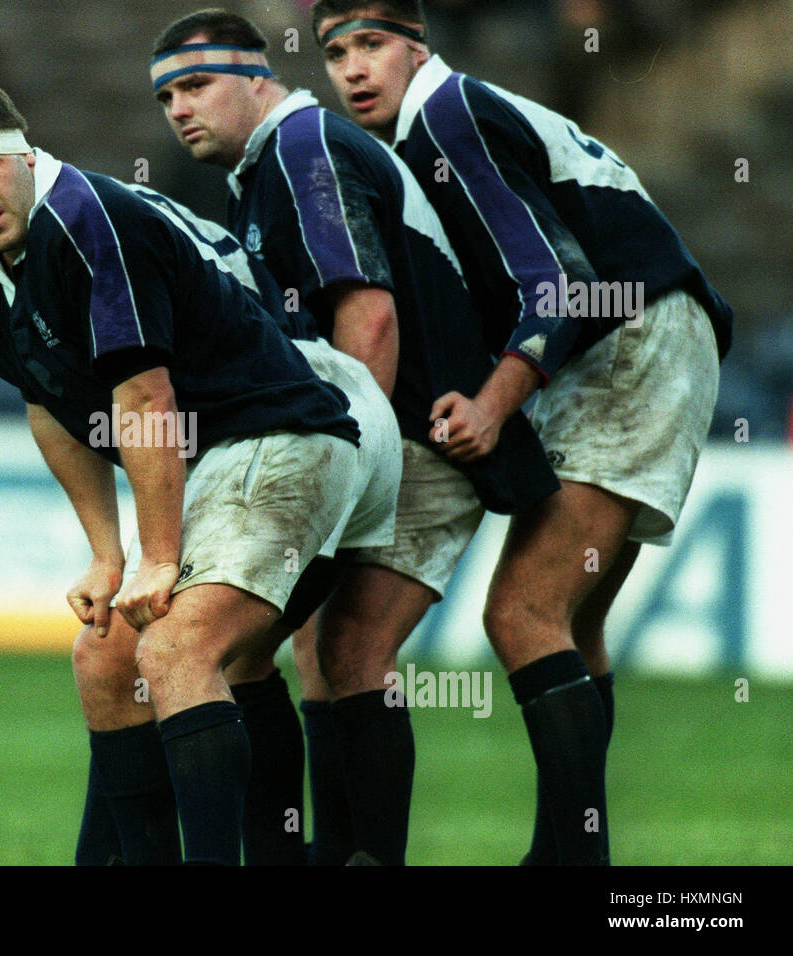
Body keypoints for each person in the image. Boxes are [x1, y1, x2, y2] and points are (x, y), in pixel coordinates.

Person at [0, 75, 399, 866]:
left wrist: (157, 554)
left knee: (174, 651)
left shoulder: (90, 218)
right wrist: (106, 553)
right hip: (221, 453)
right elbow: (50, 406)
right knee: (105, 660)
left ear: (23, 150)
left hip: (291, 431)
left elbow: (144, 394)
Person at [311, 0, 733, 864]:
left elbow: (559, 278)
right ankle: (576, 851)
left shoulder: (444, 114)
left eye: (372, 44)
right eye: (334, 52)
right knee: (570, 624)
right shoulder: (453, 116)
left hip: (633, 334)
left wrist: (493, 404)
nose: (354, 69)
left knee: (520, 612)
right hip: (655, 332)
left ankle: (571, 860)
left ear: (418, 45)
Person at [148, 8, 558, 866]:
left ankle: (359, 857)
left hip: (414, 431)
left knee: (347, 645)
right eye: (166, 96)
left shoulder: (305, 145)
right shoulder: (271, 163)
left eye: (197, 85)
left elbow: (367, 314)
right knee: (296, 647)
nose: (179, 109)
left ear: (257, 78)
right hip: (390, 429)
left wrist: (340, 461)